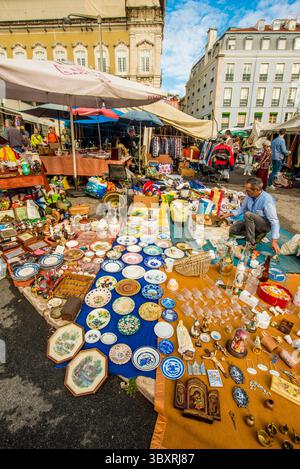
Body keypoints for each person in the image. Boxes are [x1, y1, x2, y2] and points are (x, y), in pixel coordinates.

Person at [220, 177, 280, 254]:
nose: (246, 192)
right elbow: (242, 209)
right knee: (233, 229)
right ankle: (256, 234)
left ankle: (251, 244)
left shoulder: (267, 200)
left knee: (248, 215)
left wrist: (274, 241)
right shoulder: (249, 196)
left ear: (257, 190)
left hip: (264, 225)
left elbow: (274, 221)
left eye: (248, 190)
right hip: (251, 222)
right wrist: (227, 214)